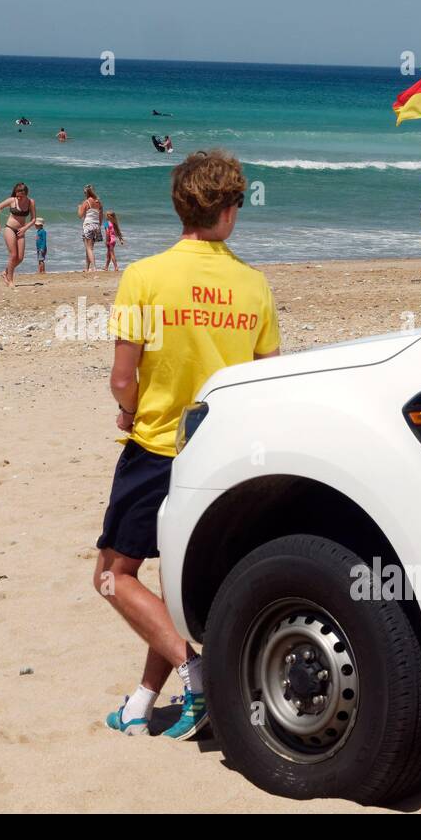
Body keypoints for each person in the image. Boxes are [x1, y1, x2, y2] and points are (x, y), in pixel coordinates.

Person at [97, 149, 280, 740]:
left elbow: (123, 378)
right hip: (225, 454)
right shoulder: (253, 285)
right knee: (174, 577)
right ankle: (143, 701)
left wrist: (128, 412)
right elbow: (264, 381)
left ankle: (195, 670)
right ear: (228, 210)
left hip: (158, 448)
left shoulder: (145, 276)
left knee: (112, 575)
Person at [0, 182, 36, 287]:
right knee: (13, 255)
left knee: (20, 258)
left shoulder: (31, 202)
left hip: (21, 231)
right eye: (17, 195)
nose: (19, 198)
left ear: (26, 193)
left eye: (21, 196)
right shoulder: (12, 200)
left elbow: (33, 219)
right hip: (10, 229)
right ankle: (10, 280)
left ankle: (5, 272)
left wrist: (25, 228)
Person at [78, 185, 103, 273]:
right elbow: (100, 216)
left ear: (86, 193)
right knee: (88, 248)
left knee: (89, 248)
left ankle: (94, 268)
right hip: (96, 226)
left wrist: (79, 208)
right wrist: (99, 225)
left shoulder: (86, 202)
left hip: (88, 225)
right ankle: (87, 267)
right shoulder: (98, 202)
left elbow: (80, 215)